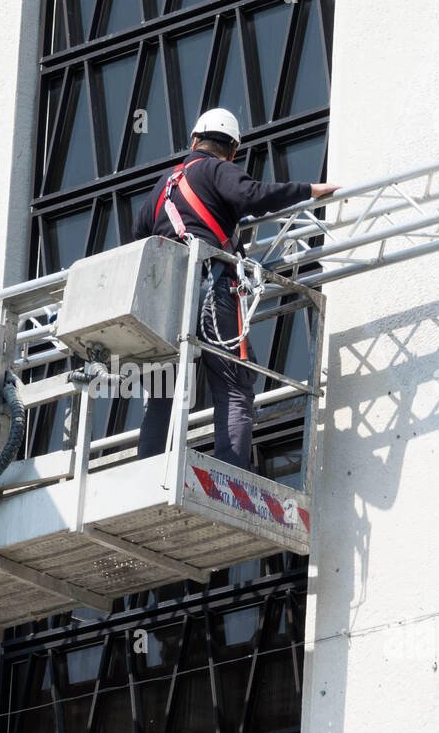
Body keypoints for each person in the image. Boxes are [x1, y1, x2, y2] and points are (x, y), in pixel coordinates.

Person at [133, 108, 338, 470]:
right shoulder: (215, 169)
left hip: (164, 299)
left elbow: (140, 245)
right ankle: (230, 476)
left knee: (163, 391)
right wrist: (309, 190)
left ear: (194, 141)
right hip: (211, 286)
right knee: (233, 382)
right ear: (233, 151)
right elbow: (251, 196)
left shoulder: (159, 189)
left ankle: (146, 472)